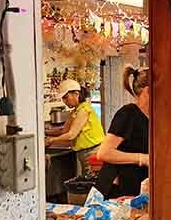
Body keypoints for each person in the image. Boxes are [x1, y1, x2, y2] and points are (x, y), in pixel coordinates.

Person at [95, 66, 149, 197]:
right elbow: (103, 153)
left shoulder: (154, 117)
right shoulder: (128, 113)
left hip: (137, 185)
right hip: (117, 189)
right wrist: (142, 158)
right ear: (147, 91)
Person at [45, 80, 105, 176]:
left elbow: (71, 135)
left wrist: (52, 140)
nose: (64, 101)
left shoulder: (84, 110)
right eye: (63, 99)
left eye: (66, 97)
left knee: (93, 185)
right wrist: (45, 132)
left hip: (93, 153)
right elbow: (64, 130)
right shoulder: (75, 111)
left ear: (76, 94)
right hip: (85, 154)